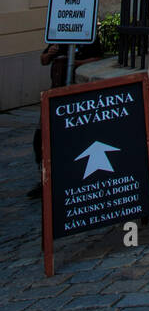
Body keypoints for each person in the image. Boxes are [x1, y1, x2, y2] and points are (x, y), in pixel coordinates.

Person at [28, 34, 104, 199]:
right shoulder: (60, 35)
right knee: (40, 138)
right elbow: (44, 60)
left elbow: (98, 58)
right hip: (54, 94)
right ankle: (44, 179)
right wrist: (50, 53)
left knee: (72, 140)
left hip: (78, 95)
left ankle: (72, 178)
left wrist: (75, 64)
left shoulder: (89, 35)